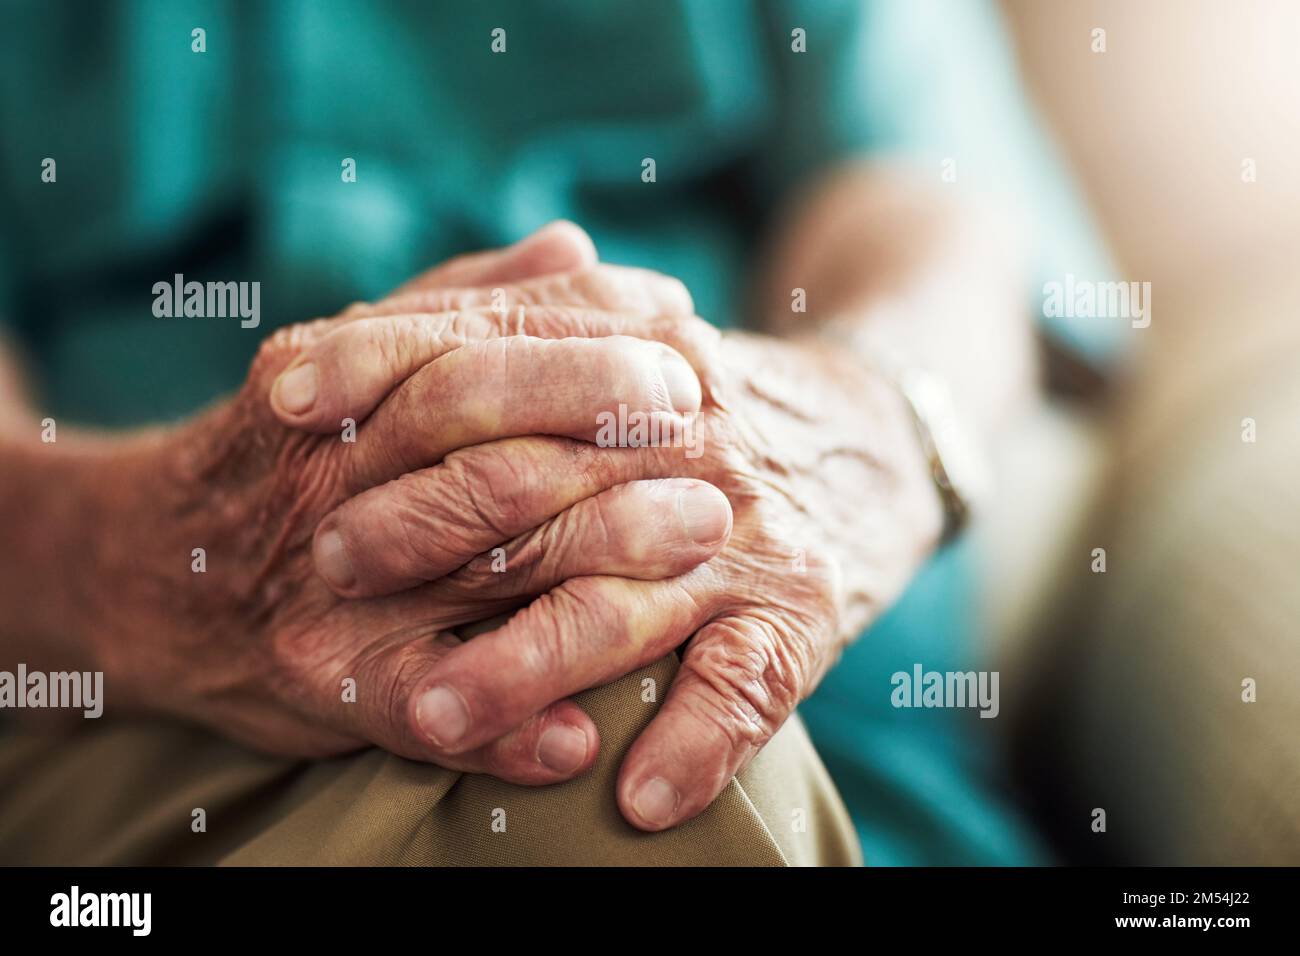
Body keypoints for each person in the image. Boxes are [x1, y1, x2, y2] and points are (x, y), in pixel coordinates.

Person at [0, 0, 1120, 865]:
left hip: (838, 753)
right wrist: (170, 554)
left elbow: (933, 214)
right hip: (152, 746)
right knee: (600, 740)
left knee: (634, 701)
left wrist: (855, 429)